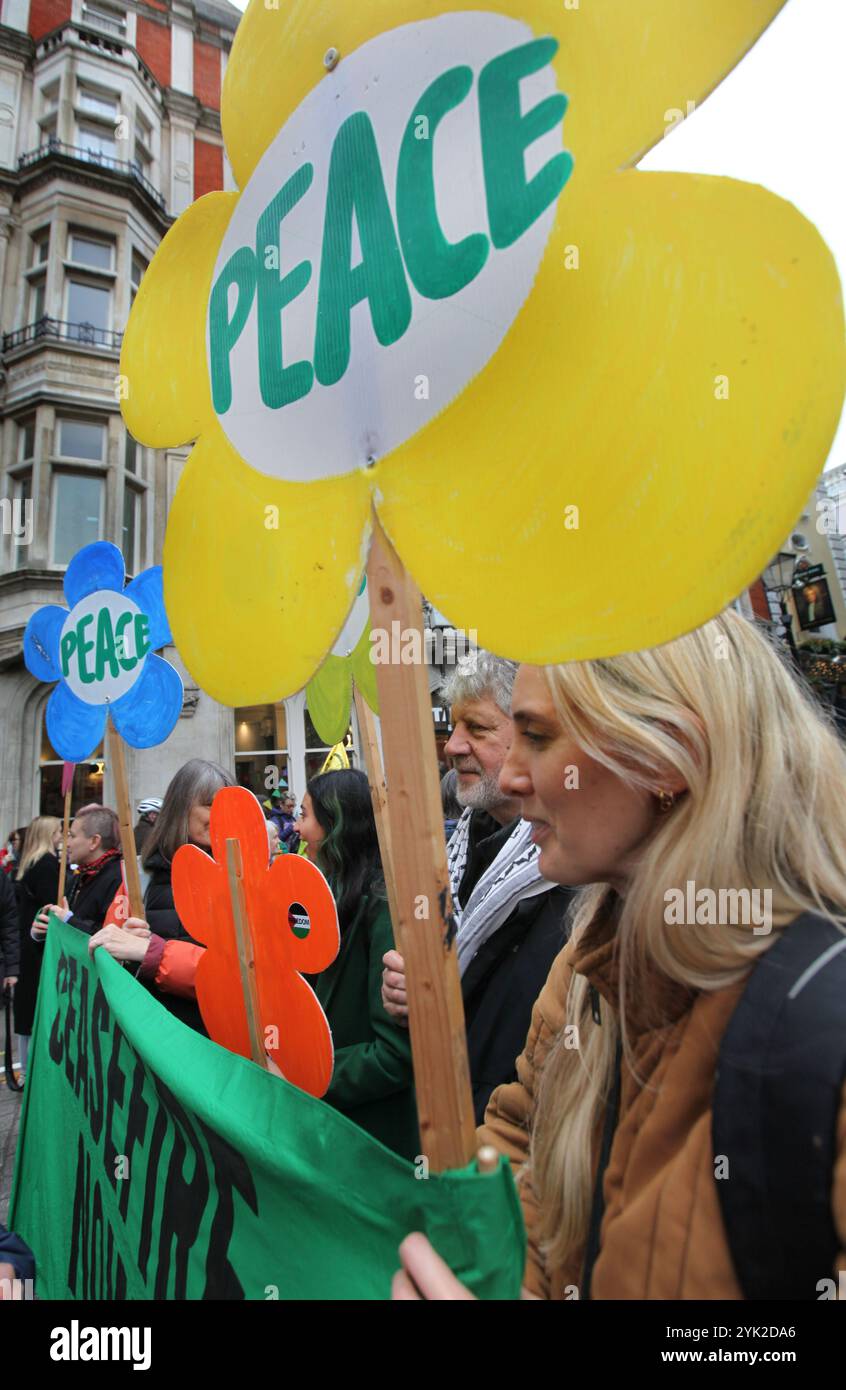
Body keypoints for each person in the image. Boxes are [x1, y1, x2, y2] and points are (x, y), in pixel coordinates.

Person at [392, 609, 846, 1300]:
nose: (510, 777)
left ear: (663, 754)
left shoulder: (823, 1020)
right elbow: (521, 1142)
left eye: (537, 737)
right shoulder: (586, 966)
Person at [382, 652, 574, 1122]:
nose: (452, 746)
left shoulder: (580, 874)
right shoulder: (451, 856)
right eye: (453, 726)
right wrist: (413, 996)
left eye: (479, 729)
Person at [295, 769, 418, 1158]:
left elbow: (392, 1058)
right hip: (335, 1128)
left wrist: (306, 1075)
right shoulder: (328, 895)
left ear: (336, 826)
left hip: (371, 1142)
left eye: (305, 815)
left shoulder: (383, 907)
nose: (296, 829)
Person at [141, 760, 234, 942]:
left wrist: (153, 953)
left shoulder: (241, 875)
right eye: (210, 804)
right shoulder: (142, 877)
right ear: (180, 808)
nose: (221, 814)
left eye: (227, 804)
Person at [13, 817, 61, 1071]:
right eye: (59, 831)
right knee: (32, 1001)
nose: (62, 836)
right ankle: (31, 1066)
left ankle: (25, 1064)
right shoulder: (46, 864)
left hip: (26, 937)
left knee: (26, 1004)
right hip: (36, 941)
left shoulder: (29, 862)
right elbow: (52, 903)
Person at [36, 806, 122, 940]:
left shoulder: (119, 878)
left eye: (72, 836)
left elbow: (111, 936)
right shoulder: (80, 876)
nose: (67, 843)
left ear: (94, 841)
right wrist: (43, 933)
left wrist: (69, 921)